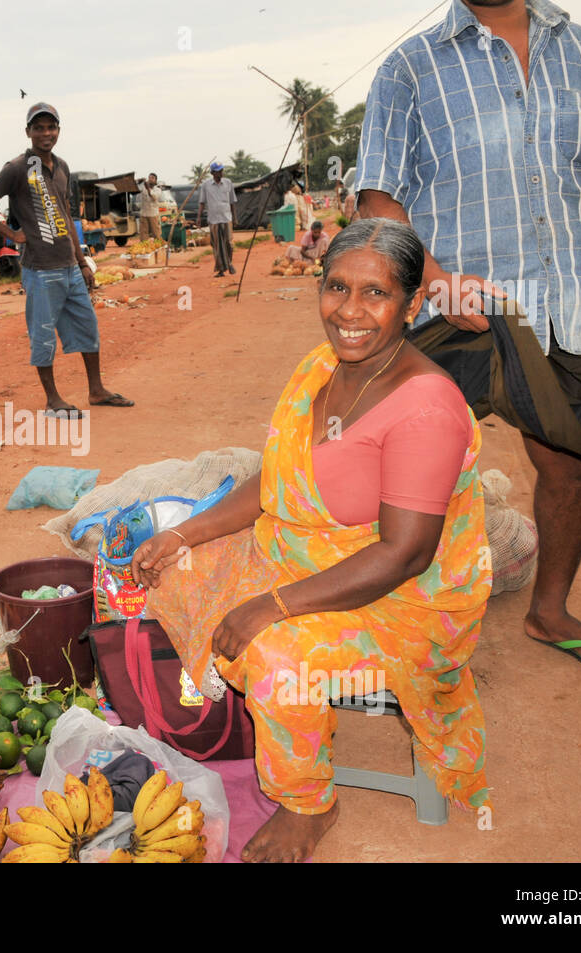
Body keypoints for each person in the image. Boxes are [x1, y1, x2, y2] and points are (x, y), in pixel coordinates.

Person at [131, 218, 491, 863]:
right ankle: (246, 714)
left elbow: (404, 555)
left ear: (411, 304)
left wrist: (273, 605)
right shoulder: (324, 366)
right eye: (336, 288)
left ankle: (308, 802)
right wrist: (183, 533)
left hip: (402, 597)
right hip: (303, 549)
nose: (350, 312)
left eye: (376, 294)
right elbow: (278, 479)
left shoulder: (426, 408)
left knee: (273, 652)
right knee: (171, 568)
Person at [355, 0, 581, 678]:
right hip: (452, 321)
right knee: (409, 480)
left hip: (558, 310)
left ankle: (550, 610)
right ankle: (386, 623)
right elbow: (379, 202)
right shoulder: (409, 68)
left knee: (570, 467)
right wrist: (438, 279)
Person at [0, 102, 133, 417]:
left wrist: (82, 261)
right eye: (39, 128)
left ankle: (96, 391)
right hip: (40, 271)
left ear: (58, 130)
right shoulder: (17, 168)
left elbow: (67, 215)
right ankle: (52, 399)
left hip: (69, 267)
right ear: (28, 132)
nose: (46, 133)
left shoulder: (62, 167)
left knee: (88, 328)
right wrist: (10, 234)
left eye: (51, 127)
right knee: (43, 336)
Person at [198, 162, 236, 277]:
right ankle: (220, 269)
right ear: (212, 173)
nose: (220, 173)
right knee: (217, 245)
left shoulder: (228, 183)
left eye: (221, 170)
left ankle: (229, 263)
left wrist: (235, 218)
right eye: (218, 171)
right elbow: (202, 202)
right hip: (213, 219)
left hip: (226, 217)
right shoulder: (206, 185)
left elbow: (232, 202)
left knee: (229, 243)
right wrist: (199, 217)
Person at [137, 172, 162, 242]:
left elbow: (154, 197)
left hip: (153, 214)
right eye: (149, 178)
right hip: (144, 214)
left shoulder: (158, 190)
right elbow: (135, 188)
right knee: (143, 233)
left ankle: (159, 246)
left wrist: (148, 188)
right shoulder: (143, 188)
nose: (150, 179)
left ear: (155, 181)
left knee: (156, 233)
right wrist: (139, 181)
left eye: (152, 178)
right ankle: (143, 247)